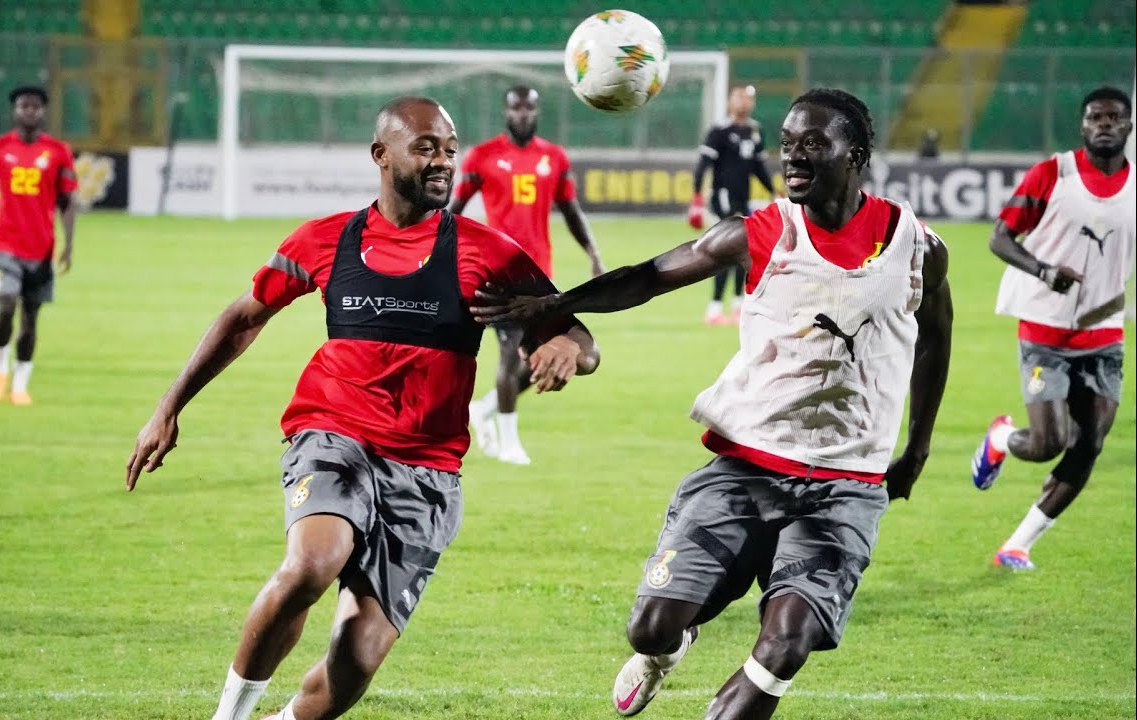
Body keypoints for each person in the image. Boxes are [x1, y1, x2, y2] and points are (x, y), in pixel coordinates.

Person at [474, 88, 952, 720]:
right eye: (788, 144)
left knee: (783, 646)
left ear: (857, 154)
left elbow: (936, 335)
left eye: (813, 143)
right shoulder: (761, 232)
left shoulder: (916, 246)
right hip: (745, 467)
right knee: (649, 627)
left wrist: (917, 445)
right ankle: (666, 652)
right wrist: (554, 307)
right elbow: (649, 276)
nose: (793, 157)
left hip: (846, 484)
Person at [125, 96, 599, 720]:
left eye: (450, 150)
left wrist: (565, 347)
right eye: (426, 146)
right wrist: (169, 405)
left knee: (356, 662)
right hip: (333, 434)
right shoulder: (326, 239)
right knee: (312, 564)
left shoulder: (490, 253)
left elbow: (581, 338)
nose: (442, 161)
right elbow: (245, 317)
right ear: (381, 154)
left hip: (427, 468)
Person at [970, 86, 1133, 572]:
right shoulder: (1052, 173)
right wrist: (1044, 270)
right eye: (1094, 117)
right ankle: (1002, 440)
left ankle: (1018, 544)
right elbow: (999, 238)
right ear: (1082, 126)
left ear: (1128, 126)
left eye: (1113, 117)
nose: (1103, 124)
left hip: (1104, 334)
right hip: (1046, 333)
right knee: (1047, 444)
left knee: (1092, 445)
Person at [450, 84, 605, 465]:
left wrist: (593, 253)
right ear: (506, 112)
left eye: (529, 108)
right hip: (496, 274)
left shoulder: (554, 158)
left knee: (538, 358)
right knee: (508, 352)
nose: (522, 114)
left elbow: (570, 211)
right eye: (515, 108)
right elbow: (453, 210)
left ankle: (483, 408)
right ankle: (508, 442)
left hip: (539, 277)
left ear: (537, 112)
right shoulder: (483, 157)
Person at [0, 85, 77, 405]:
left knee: (30, 320)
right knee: (6, 304)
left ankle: (20, 383)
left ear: (43, 111)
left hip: (41, 250)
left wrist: (69, 245)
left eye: (34, 107)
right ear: (14, 111)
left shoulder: (58, 152)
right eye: (22, 106)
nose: (28, 111)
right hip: (6, 247)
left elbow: (67, 201)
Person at [688, 85, 778, 326]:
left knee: (745, 250)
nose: (744, 102)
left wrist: (773, 192)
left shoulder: (754, 131)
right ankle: (715, 307)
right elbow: (704, 164)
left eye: (748, 98)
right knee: (728, 249)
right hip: (723, 196)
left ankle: (738, 305)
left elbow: (758, 168)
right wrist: (697, 196)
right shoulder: (720, 131)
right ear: (729, 102)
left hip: (742, 198)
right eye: (738, 97)